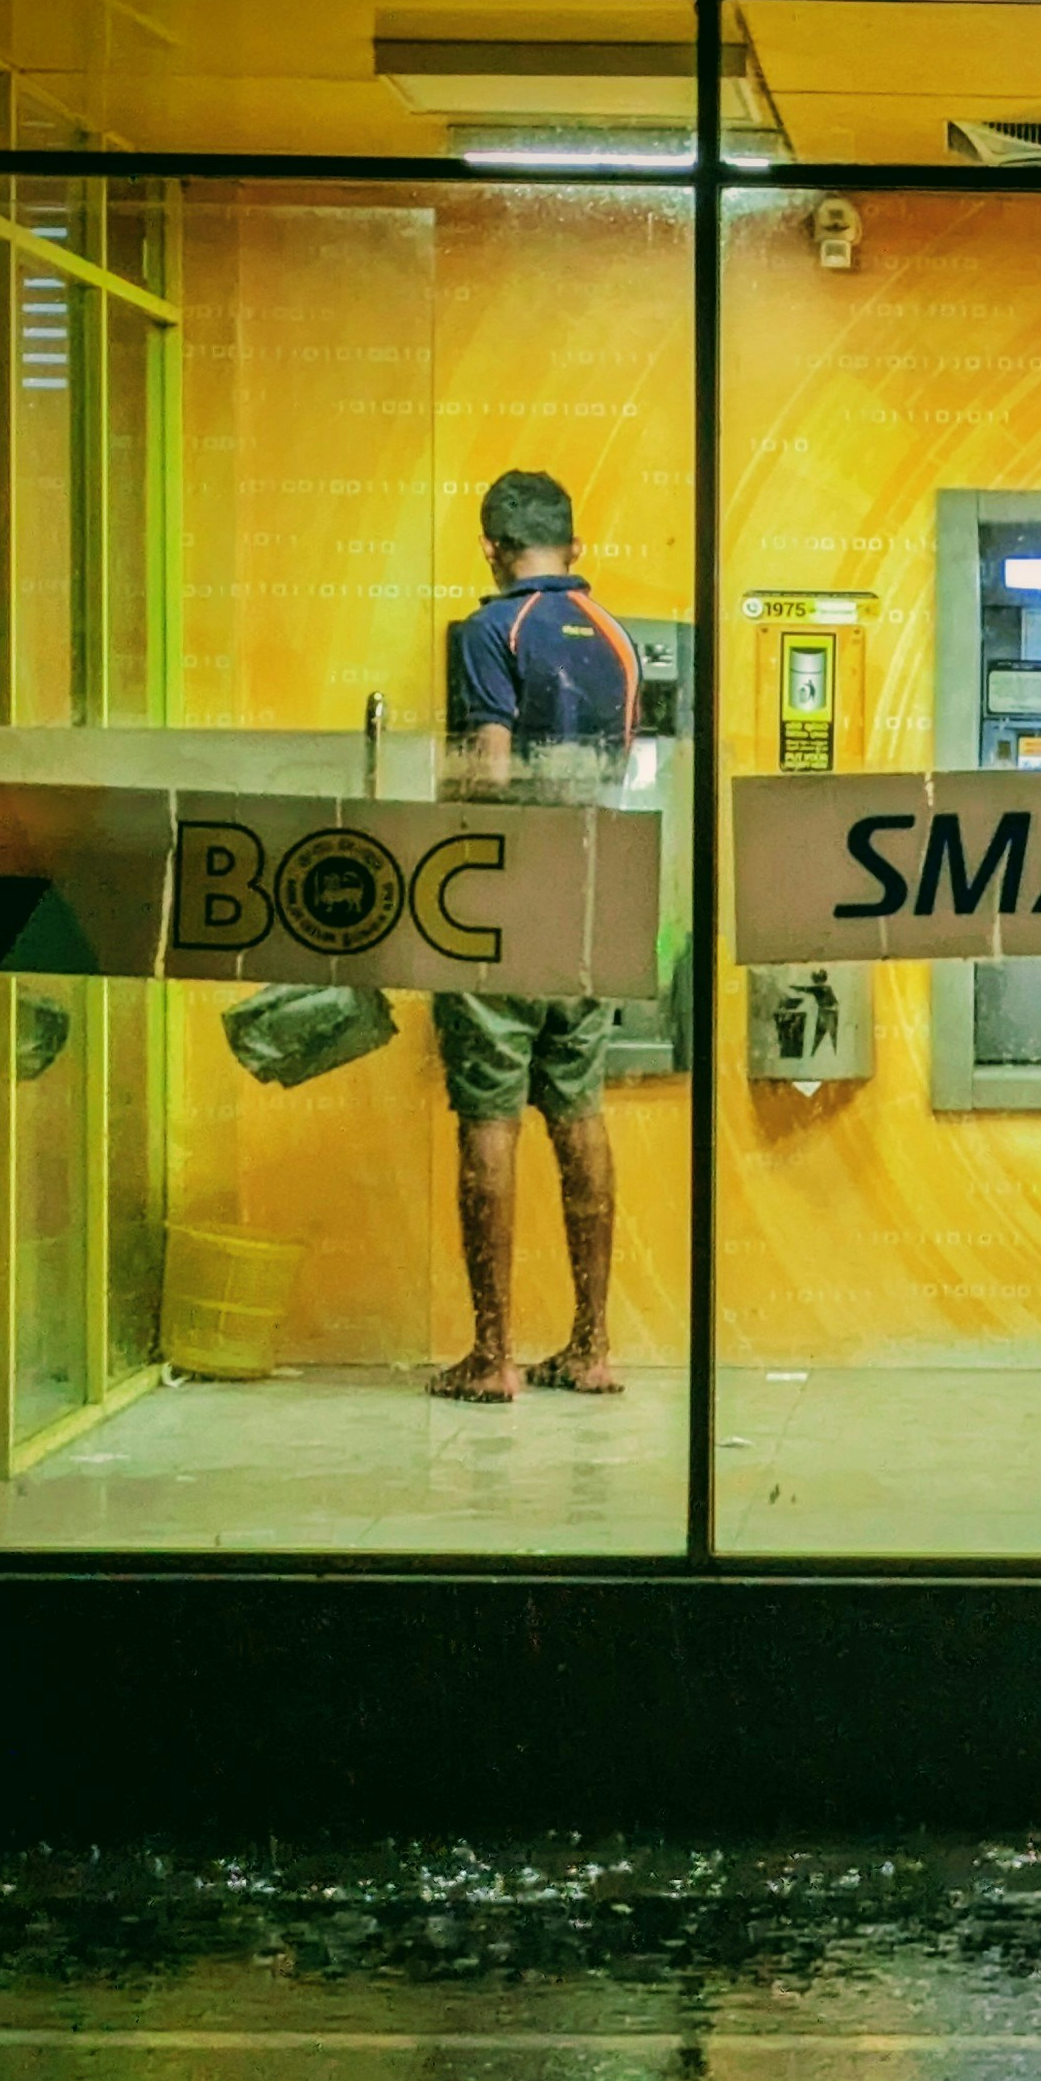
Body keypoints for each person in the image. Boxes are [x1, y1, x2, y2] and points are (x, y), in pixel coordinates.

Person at [430, 468, 642, 1402]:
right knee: (580, 1104)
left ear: (489, 547)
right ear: (576, 546)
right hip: (594, 897)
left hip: (503, 900)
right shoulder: (618, 639)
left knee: (489, 1111)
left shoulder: (487, 630)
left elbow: (490, 769)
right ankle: (591, 1345)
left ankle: (493, 1354)